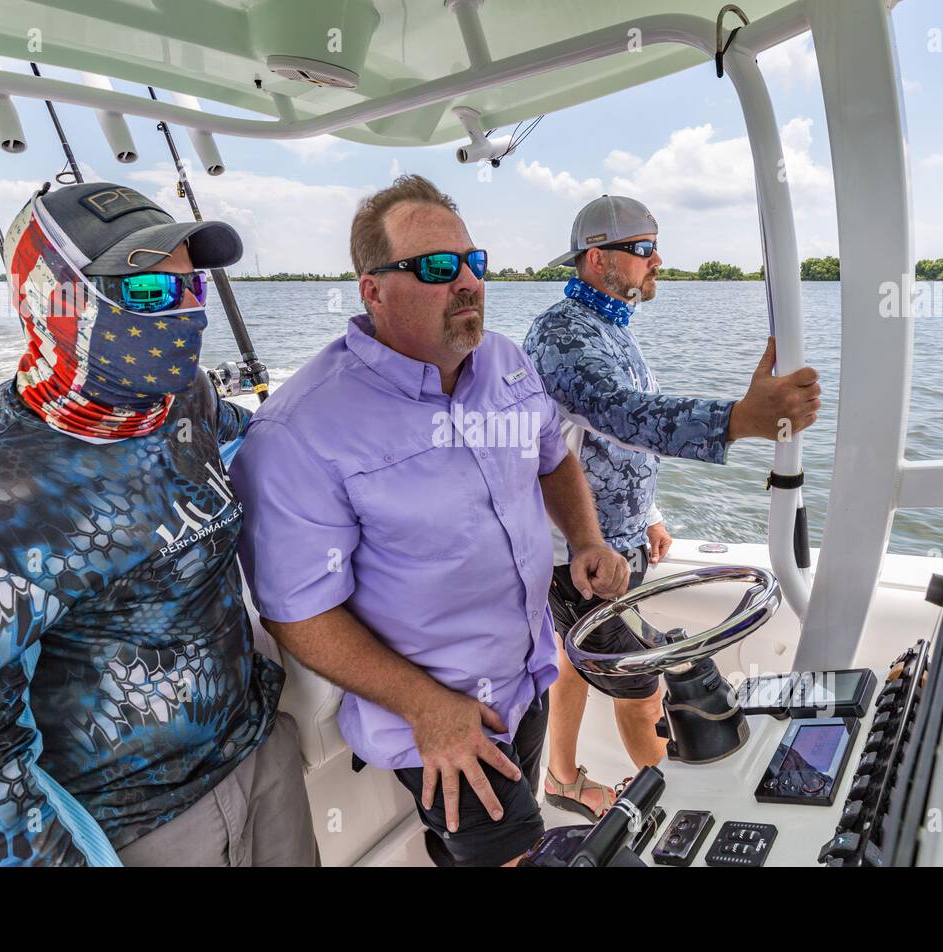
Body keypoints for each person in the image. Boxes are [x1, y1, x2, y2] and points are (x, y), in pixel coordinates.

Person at [0, 181, 316, 866]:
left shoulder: (184, 399)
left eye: (193, 289)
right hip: (130, 832)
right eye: (150, 292)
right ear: (54, 300)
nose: (186, 314)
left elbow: (265, 450)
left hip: (259, 758)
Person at [230, 175, 629, 867]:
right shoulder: (299, 433)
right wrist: (425, 707)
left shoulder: (505, 361)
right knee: (515, 854)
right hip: (436, 714)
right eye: (438, 268)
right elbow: (297, 614)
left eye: (475, 262)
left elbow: (551, 459)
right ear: (373, 290)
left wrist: (587, 540)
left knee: (504, 839)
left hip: (530, 673)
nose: (467, 281)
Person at [524, 194, 821, 819]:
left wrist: (649, 512)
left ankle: (560, 778)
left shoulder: (608, 328)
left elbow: (606, 438)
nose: (658, 259)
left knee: (574, 659)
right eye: (642, 249)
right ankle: (682, 815)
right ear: (599, 259)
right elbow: (623, 413)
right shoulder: (562, 336)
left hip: (617, 542)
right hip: (575, 550)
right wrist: (739, 420)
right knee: (642, 687)